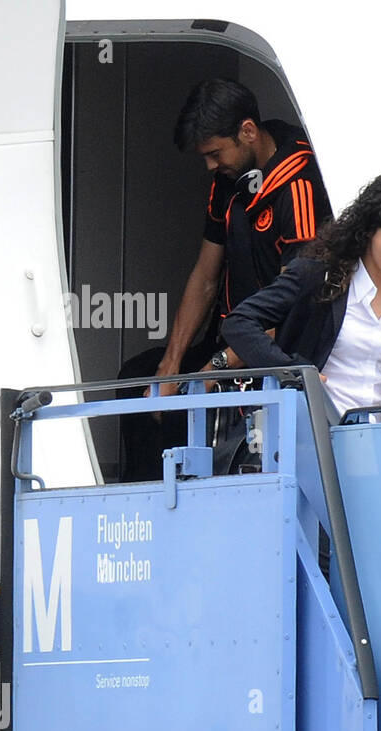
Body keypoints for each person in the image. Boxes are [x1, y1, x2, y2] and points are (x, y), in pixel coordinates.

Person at [119, 77, 331, 479]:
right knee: (139, 383)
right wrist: (170, 367)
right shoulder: (228, 181)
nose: (210, 166)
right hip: (228, 341)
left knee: (190, 401)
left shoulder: (299, 185)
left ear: (248, 131)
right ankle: (141, 517)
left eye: (215, 153)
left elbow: (294, 309)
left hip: (275, 353)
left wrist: (212, 371)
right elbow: (205, 276)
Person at [219, 168, 381, 416]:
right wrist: (290, 371)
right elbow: (239, 322)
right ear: (368, 230)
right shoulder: (314, 276)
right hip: (315, 436)